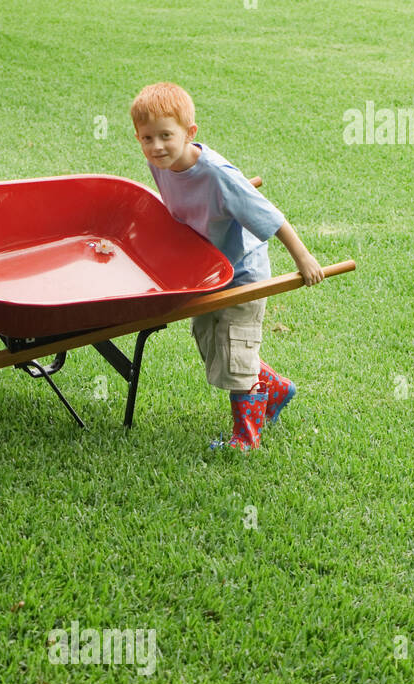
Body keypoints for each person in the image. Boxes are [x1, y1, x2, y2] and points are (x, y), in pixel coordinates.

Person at [130, 82, 324, 451]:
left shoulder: (219, 176)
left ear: (190, 133)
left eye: (166, 136)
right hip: (208, 270)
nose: (156, 147)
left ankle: (246, 439)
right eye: (146, 138)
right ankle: (278, 389)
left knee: (236, 353)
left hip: (242, 273)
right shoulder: (161, 163)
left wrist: (304, 258)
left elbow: (270, 216)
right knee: (210, 342)